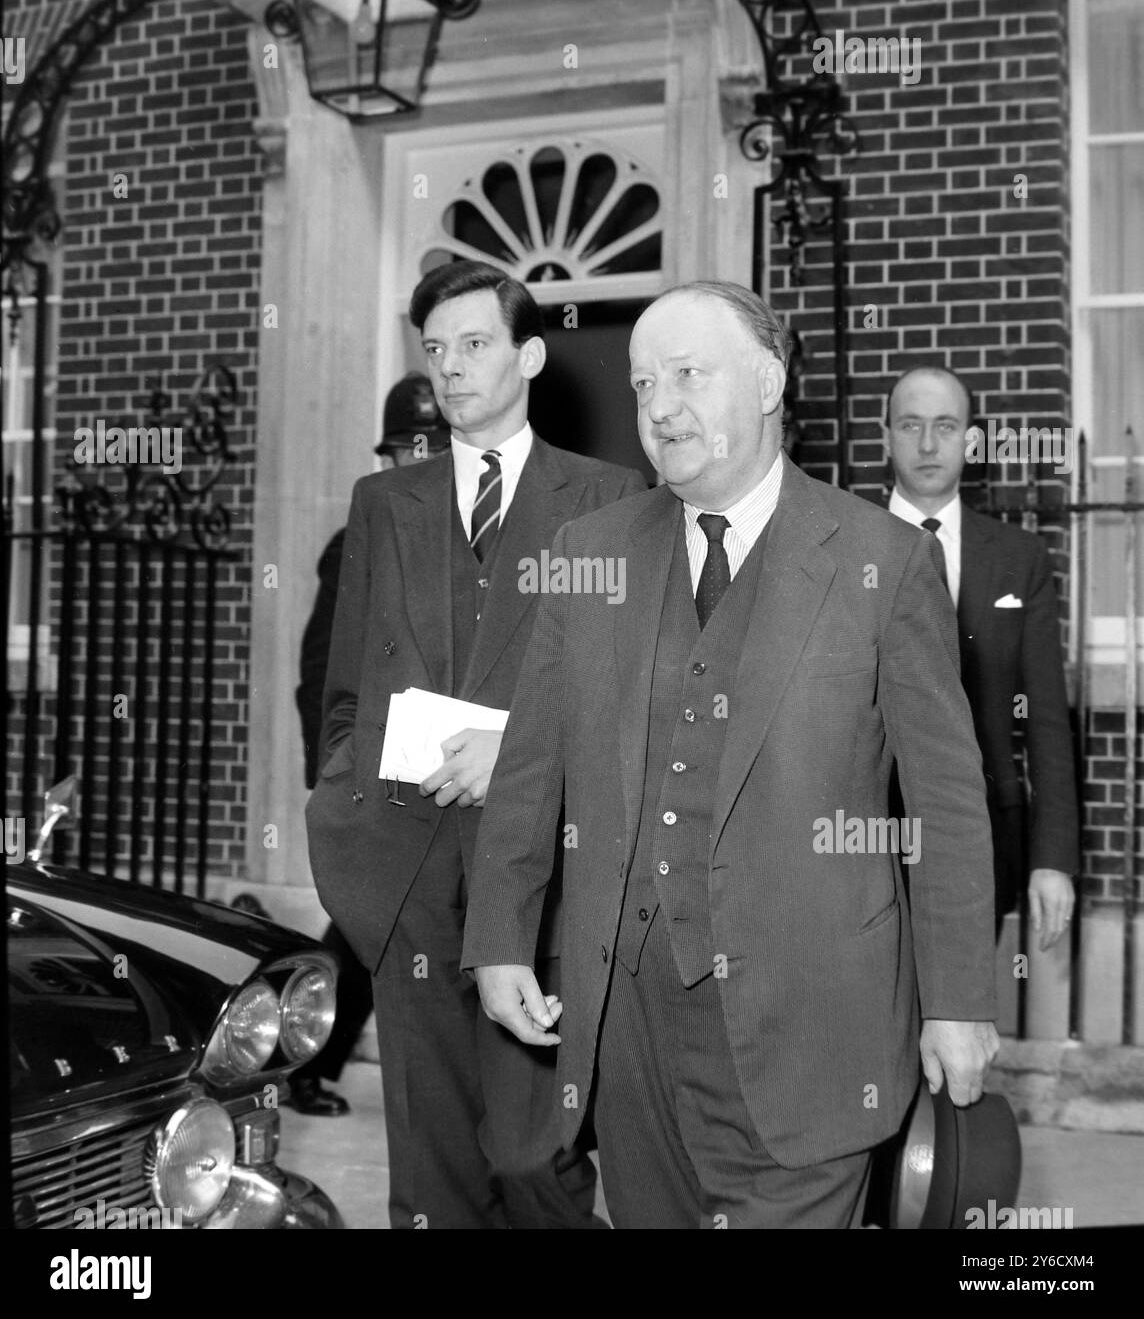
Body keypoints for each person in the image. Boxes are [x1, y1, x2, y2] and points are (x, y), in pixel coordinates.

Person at [463, 280, 1000, 1229]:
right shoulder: (588, 554)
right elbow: (530, 768)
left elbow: (947, 802)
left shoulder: (883, 562)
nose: (659, 406)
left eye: (686, 375)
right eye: (641, 383)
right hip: (626, 1035)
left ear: (766, 383)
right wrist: (501, 933)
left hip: (814, 1026)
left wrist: (957, 1001)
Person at [305, 260, 646, 1228]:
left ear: (530, 355)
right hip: (405, 871)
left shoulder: (610, 500)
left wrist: (517, 750)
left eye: (475, 343)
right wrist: (344, 816)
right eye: (436, 349)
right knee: (431, 1170)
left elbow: (628, 698)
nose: (451, 368)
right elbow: (342, 691)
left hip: (541, 878)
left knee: (535, 1157)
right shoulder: (386, 503)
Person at [289, 375, 449, 1116]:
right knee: (360, 918)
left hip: (457, 768)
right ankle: (301, 1057)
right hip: (379, 772)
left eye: (432, 447)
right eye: (405, 451)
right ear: (385, 459)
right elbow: (323, 667)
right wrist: (336, 774)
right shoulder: (357, 539)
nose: (417, 461)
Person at [886, 366, 1078, 946]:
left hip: (985, 834)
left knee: (961, 1025)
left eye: (945, 426)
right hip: (862, 841)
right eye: (910, 425)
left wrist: (1054, 858)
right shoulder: (841, 545)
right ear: (886, 435)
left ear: (971, 438)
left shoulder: (1019, 558)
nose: (926, 444)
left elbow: (1045, 718)